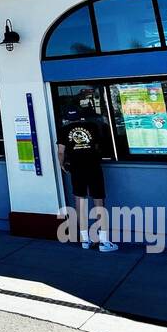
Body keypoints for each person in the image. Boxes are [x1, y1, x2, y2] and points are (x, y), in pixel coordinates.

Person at [57, 104, 117, 252]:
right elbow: (98, 146)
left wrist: (62, 165)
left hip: (77, 168)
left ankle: (85, 239)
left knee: (80, 202)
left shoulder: (64, 130)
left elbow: (60, 152)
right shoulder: (93, 126)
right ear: (81, 116)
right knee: (98, 201)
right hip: (93, 166)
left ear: (67, 118)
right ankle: (103, 241)